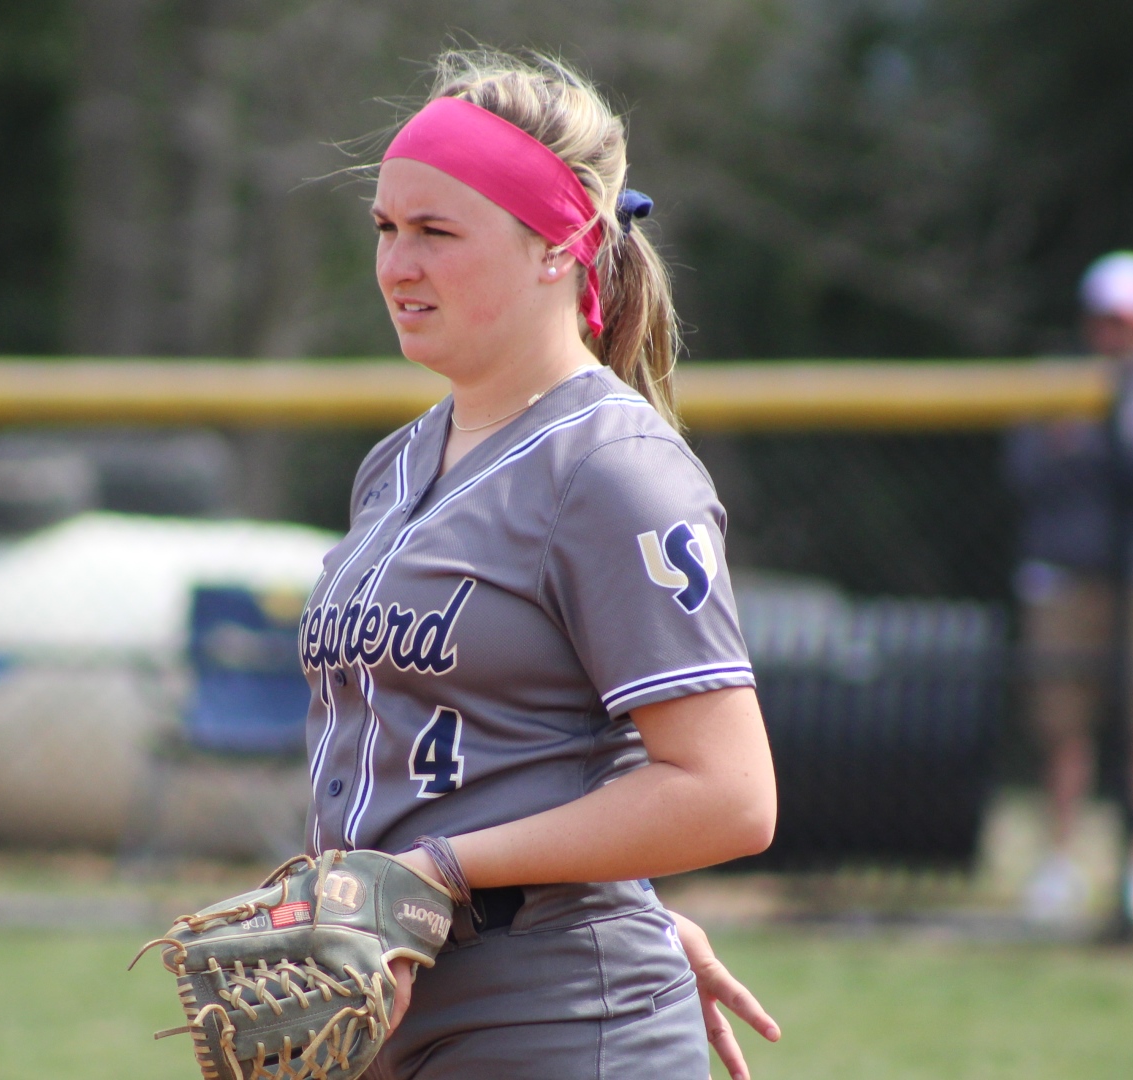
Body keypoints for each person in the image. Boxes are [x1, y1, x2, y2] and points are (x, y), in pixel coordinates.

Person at [299, 50, 781, 1079]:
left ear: (558, 247)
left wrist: (444, 872)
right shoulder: (395, 465)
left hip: (548, 1017)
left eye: (437, 231)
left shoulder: (613, 468)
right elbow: (524, 746)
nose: (398, 265)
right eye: (387, 229)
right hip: (385, 999)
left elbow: (729, 793)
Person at [1005, 251, 1133, 928]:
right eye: (1106, 322)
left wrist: (1103, 438)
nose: (1116, 336)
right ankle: (1059, 864)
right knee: (1063, 728)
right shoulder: (1058, 381)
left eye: (1129, 323)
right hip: (1061, 578)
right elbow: (1025, 471)